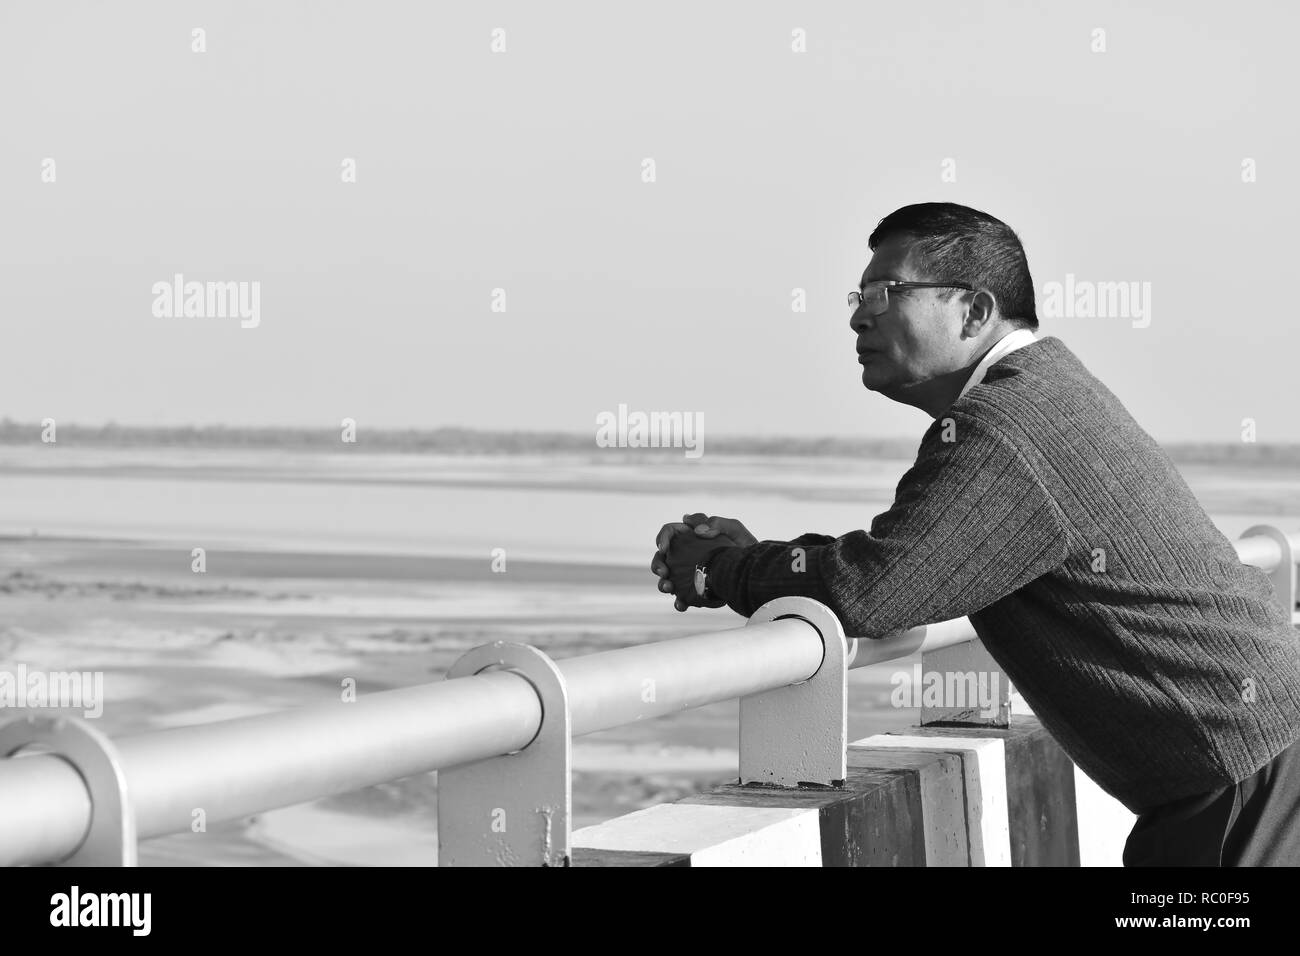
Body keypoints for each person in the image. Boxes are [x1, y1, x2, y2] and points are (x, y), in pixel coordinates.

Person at [649, 202, 1300, 866]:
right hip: (1245, 767)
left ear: (974, 311)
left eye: (888, 292)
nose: (858, 315)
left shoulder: (1005, 423)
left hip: (1245, 785)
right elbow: (923, 555)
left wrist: (723, 570)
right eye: (858, 295)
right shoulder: (1040, 393)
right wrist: (753, 558)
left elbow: (877, 591)